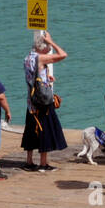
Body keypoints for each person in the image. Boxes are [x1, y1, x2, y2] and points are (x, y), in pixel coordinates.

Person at [21, 30, 68, 171]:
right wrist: (51, 41)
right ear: (43, 47)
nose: (50, 50)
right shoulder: (40, 58)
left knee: (31, 129)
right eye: (48, 47)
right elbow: (63, 55)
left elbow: (34, 75)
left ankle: (29, 161)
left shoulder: (28, 58)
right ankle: (43, 163)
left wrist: (47, 77)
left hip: (32, 99)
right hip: (43, 100)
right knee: (45, 129)